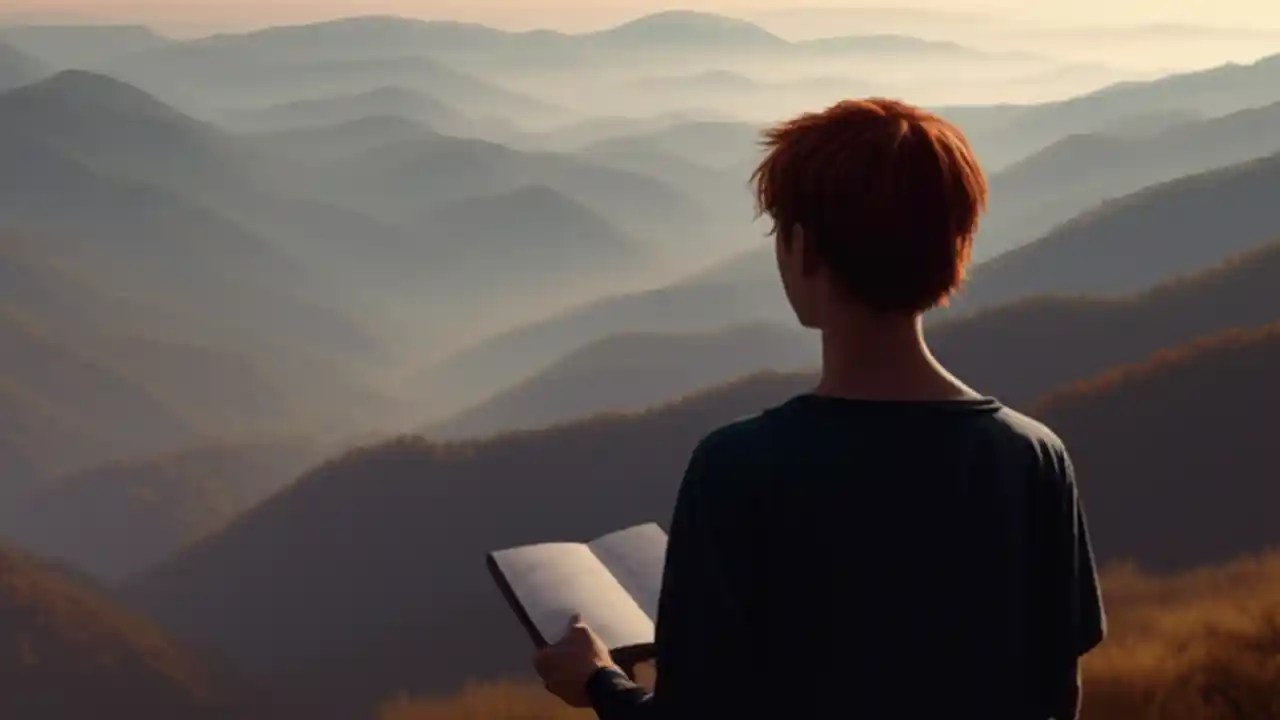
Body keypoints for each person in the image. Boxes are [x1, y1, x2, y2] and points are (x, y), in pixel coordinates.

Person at [533, 98, 1106, 720]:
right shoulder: (1033, 457)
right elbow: (1058, 695)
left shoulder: (737, 468)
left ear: (802, 247)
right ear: (955, 246)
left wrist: (598, 681)